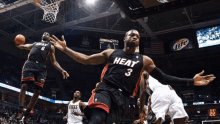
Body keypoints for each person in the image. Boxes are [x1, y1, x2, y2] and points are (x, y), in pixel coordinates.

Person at [49, 29, 215, 124]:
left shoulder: (144, 60)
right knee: (98, 117)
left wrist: (190, 81)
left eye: (138, 36)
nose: (135, 36)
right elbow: (85, 60)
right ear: (125, 38)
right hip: (105, 89)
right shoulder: (111, 52)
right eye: (132, 34)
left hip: (123, 97)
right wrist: (65, 49)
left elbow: (164, 78)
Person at [16, 32, 69, 124]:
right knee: (24, 86)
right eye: (45, 33)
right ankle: (20, 109)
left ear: (49, 38)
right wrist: (19, 45)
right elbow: (24, 46)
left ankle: (27, 112)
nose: (46, 33)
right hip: (30, 64)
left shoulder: (51, 47)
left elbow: (54, 62)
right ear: (42, 36)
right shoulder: (35, 44)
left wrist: (62, 70)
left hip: (41, 67)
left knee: (37, 91)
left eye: (48, 34)